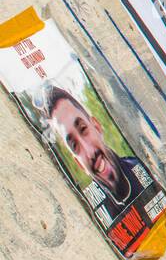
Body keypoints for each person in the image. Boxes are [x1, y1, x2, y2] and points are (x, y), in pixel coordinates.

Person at [44, 85, 144, 221]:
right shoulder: (97, 219)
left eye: (83, 129)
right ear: (79, 163)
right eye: (74, 145)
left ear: (97, 126)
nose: (90, 152)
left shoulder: (141, 168)